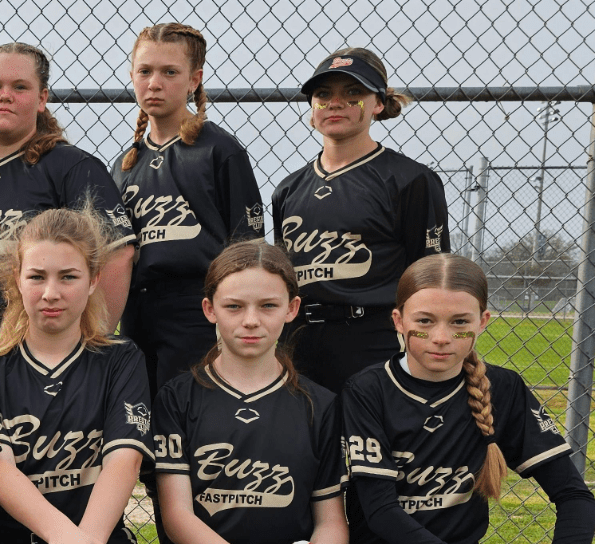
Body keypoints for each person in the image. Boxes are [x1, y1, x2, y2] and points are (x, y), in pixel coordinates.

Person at [342, 253, 595, 544]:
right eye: (424, 321)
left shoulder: (503, 388)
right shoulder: (367, 390)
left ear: (482, 321)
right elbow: (381, 511)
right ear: (398, 321)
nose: (441, 336)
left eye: (459, 322)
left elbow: (575, 497)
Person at [0, 42, 135, 357]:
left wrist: (89, 341)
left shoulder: (70, 166)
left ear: (42, 99)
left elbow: (119, 253)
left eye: (20, 87)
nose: (5, 95)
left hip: (38, 349)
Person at [270, 47, 450, 393]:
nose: (335, 103)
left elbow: (430, 278)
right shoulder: (289, 189)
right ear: (311, 110)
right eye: (323, 94)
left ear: (378, 103)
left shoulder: (410, 180)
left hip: (371, 340)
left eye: (353, 93)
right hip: (297, 341)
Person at [0, 207, 150, 544]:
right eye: (37, 276)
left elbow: (123, 462)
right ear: (17, 277)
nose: (50, 293)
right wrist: (65, 537)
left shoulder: (120, 359)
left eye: (68, 277)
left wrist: (87, 540)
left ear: (94, 278)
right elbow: (0, 470)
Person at [152, 240, 347, 544]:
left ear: (292, 308)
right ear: (209, 309)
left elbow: (331, 522)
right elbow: (177, 516)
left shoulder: (319, 405)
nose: (251, 321)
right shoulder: (177, 398)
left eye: (268, 305)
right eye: (234, 306)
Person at [111, 22, 263, 392]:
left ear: (194, 80)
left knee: (189, 415)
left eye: (170, 72)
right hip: (137, 311)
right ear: (132, 75)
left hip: (197, 309)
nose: (154, 83)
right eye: (144, 71)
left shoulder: (219, 151)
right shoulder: (124, 165)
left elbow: (248, 247)